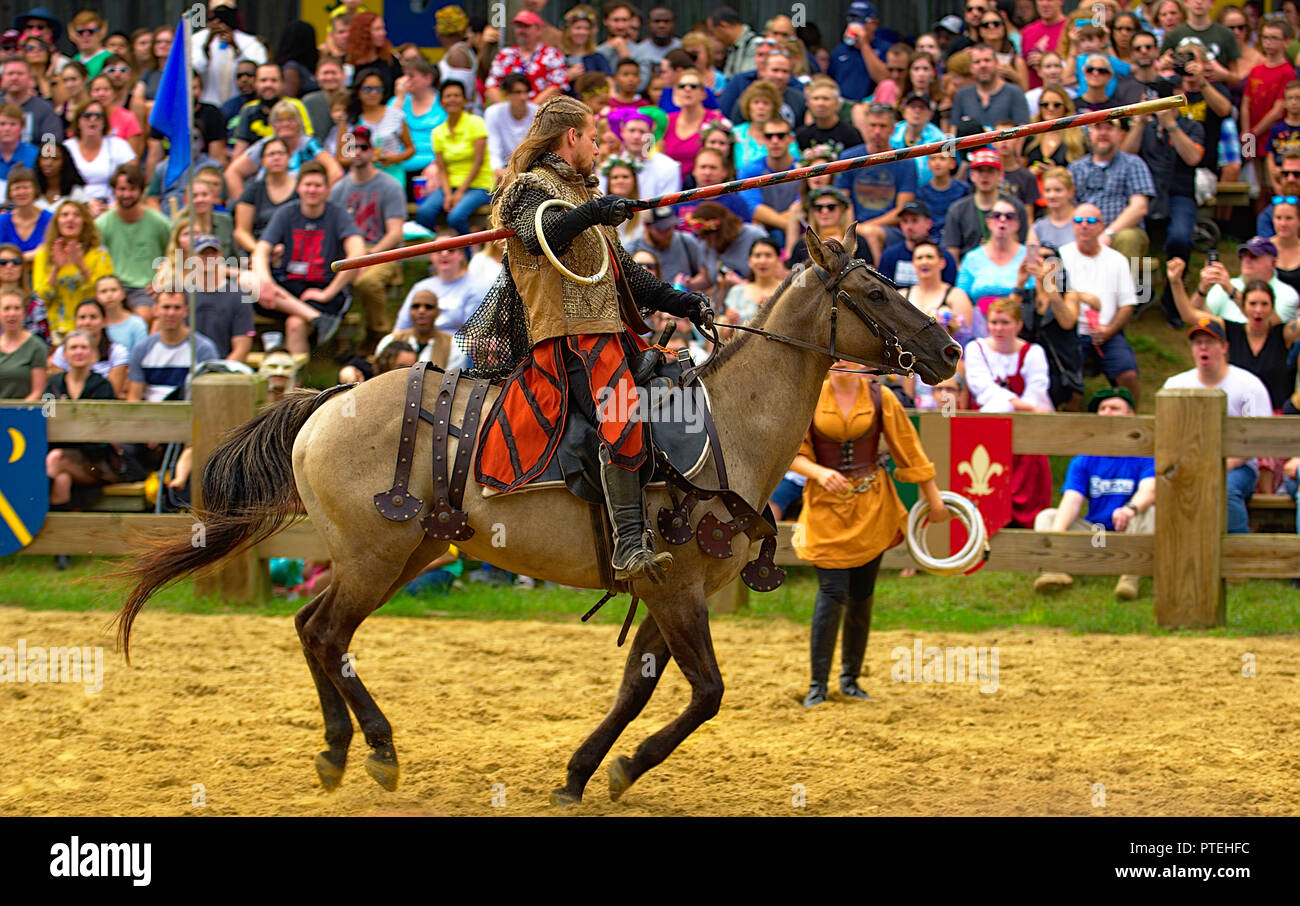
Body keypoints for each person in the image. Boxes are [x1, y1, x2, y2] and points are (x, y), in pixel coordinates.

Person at [467, 95, 712, 583]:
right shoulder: (525, 189)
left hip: (609, 335)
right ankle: (627, 545)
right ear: (571, 137)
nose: (599, 148)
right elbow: (541, 238)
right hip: (566, 338)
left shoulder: (579, 194)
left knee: (669, 399)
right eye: (594, 137)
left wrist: (681, 300)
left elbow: (624, 273)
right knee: (622, 420)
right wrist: (595, 212)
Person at [790, 363, 949, 707]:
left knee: (862, 593)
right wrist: (818, 472)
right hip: (826, 505)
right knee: (832, 591)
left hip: (873, 503)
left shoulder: (882, 397)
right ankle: (818, 685)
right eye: (834, 358)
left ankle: (850, 680)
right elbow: (792, 451)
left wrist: (934, 500)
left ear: (861, 362)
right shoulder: (810, 395)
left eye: (847, 359)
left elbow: (909, 448)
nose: (839, 364)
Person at [1032, 386, 1154, 599]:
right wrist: (1056, 538)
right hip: (1097, 535)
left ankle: (1130, 577)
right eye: (1102, 408)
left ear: (1130, 415)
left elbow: (1150, 490)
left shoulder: (1144, 454)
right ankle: (1053, 569)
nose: (1107, 412)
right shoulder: (1084, 458)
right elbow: (1072, 500)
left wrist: (1129, 509)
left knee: (1149, 511)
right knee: (1047, 517)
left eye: (1115, 408)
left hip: (1130, 532)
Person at [1162, 317, 1273, 534]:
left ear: (1224, 347)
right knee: (1166, 484)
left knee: (1225, 487)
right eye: (1198, 342)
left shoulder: (1249, 385)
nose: (1203, 348)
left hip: (1238, 466)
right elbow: (1166, 434)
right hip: (1187, 462)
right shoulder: (1175, 385)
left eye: (1210, 342)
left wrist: (1221, 463)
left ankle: (1240, 552)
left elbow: (1258, 438)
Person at [252, 162, 366, 356]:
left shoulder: (338, 214)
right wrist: (266, 281)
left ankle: (295, 385)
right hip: (290, 286)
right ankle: (317, 319)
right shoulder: (286, 213)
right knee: (249, 281)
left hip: (325, 288)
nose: (312, 190)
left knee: (295, 324)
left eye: (318, 185)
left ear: (327, 189)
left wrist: (327, 294)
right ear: (298, 188)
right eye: (307, 185)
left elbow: (357, 253)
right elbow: (261, 250)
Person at [964, 297, 1054, 526]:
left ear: (1018, 325)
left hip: (1024, 426)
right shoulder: (977, 349)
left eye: (1005, 322)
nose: (998, 328)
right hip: (987, 426)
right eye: (994, 322)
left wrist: (1024, 408)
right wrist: (1021, 405)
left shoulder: (1033, 352)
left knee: (1032, 465)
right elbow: (983, 389)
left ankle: (1028, 522)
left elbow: (1036, 390)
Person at [1168, 257, 1300, 413]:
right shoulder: (1229, 329)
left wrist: (1229, 287)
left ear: (1272, 307)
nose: (1258, 310)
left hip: (1277, 415)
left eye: (1264, 304)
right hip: (1236, 414)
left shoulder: (1284, 334)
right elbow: (1189, 315)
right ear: (1243, 307)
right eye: (1252, 304)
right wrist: (1175, 282)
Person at [1060, 203, 1143, 407]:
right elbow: (1048, 296)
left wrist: (1109, 330)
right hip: (1071, 332)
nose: (1084, 226)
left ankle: (1133, 421)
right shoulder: (1060, 256)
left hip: (1108, 332)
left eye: (1091, 221)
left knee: (1129, 376)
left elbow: (1127, 305)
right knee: (1071, 389)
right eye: (1079, 221)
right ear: (1072, 226)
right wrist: (1080, 296)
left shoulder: (1117, 260)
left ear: (1102, 226)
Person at [330, 126, 406, 349]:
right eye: (351, 147)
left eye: (363, 147)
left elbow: (395, 233)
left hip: (383, 253)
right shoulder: (339, 189)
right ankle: (338, 339)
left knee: (367, 282)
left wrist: (367, 257)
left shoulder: (390, 186)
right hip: (348, 254)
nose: (357, 152)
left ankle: (378, 334)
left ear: (373, 151)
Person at [43, 328, 118, 506]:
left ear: (93, 353)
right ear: (65, 354)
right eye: (73, 347)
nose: (78, 352)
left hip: (95, 462)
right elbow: (45, 418)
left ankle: (29, 504)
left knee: (55, 459)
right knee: (62, 480)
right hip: (58, 454)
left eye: (84, 347)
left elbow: (104, 434)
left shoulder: (103, 386)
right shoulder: (53, 384)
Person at [1066, 116, 1155, 262]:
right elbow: (1068, 205)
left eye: (1109, 128)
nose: (1103, 133)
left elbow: (1139, 207)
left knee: (1129, 238)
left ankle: (1126, 285)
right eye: (1098, 128)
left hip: (1121, 232)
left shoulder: (1133, 164)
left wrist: (1108, 233)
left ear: (1120, 134)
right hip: (1083, 228)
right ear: (1090, 134)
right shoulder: (1076, 168)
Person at [836, 103, 916, 261]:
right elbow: (843, 202)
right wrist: (852, 228)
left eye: (883, 126)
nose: (877, 131)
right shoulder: (849, 157)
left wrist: (864, 228)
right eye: (872, 125)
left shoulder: (905, 162)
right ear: (865, 126)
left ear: (892, 129)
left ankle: (875, 283)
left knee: (870, 234)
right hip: (852, 225)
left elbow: (901, 210)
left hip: (890, 229)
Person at [94, 163, 170, 318]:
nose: (126, 194)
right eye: (122, 189)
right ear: (114, 191)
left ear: (141, 192)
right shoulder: (102, 224)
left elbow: (173, 254)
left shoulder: (159, 223)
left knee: (143, 316)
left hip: (144, 288)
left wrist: (163, 278)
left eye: (132, 189)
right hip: (112, 287)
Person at [32, 199, 112, 342]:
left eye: (76, 215)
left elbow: (104, 296)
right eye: (65, 215)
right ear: (57, 222)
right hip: (53, 331)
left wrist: (81, 266)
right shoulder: (44, 255)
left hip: (89, 329)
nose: (70, 219)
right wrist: (56, 269)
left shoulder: (99, 255)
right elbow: (41, 298)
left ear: (84, 222)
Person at [415, 81, 489, 235]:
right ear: (441, 102)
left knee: (456, 217)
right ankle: (443, 246)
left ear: (464, 100)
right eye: (448, 96)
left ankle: (468, 255)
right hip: (450, 185)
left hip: (478, 185)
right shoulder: (438, 132)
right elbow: (441, 168)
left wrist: (460, 193)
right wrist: (448, 195)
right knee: (424, 213)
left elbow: (478, 161)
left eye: (456, 95)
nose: (452, 99)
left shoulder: (476, 123)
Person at [125, 292, 219, 403]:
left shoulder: (203, 348)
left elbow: (211, 396)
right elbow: (134, 397)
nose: (171, 313)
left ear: (186, 311)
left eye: (177, 308)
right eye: (166, 307)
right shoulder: (142, 348)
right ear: (155, 310)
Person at [395, 227, 490, 334]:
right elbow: (400, 329)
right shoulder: (421, 287)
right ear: (431, 256)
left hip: (458, 347)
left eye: (451, 250)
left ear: (461, 254)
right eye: (438, 250)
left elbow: (474, 335)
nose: (444, 254)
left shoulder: (478, 287)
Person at [1199, 236, 1300, 324]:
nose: (1247, 260)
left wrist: (1231, 290)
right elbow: (1199, 319)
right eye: (1244, 255)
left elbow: (1272, 325)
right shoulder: (1222, 287)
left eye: (1254, 256)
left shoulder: (1287, 294)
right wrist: (1202, 289)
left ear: (1273, 263)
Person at [44, 297, 129, 396]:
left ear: (104, 321)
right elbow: (57, 388)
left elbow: (112, 393)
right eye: (82, 317)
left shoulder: (117, 351)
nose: (87, 322)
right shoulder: (61, 351)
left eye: (93, 317)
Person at [957, 199, 1029, 315]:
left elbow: (1035, 293)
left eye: (1009, 216)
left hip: (1021, 322)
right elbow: (960, 295)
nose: (1002, 219)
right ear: (988, 222)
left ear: (1017, 225)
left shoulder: (1027, 256)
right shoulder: (972, 258)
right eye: (996, 215)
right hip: (978, 324)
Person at [902, 240, 980, 346]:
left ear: (942, 263)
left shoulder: (956, 296)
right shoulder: (902, 295)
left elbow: (965, 336)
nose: (924, 262)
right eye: (919, 258)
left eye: (929, 257)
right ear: (913, 264)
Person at [484, 9, 567, 106]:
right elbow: (491, 85)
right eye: (518, 26)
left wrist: (529, 112)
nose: (521, 30)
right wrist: (508, 111)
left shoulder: (552, 55)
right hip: (508, 113)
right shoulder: (505, 54)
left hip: (542, 113)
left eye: (526, 26)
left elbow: (556, 87)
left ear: (539, 30)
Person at [192, 4, 267, 108]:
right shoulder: (197, 40)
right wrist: (207, 46)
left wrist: (235, 46)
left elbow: (258, 67)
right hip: (207, 102)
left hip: (239, 103)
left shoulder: (249, 42)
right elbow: (194, 69)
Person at [347, 68, 413, 189]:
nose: (373, 93)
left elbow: (410, 149)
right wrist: (364, 158)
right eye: (368, 89)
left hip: (392, 173)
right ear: (358, 91)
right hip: (362, 175)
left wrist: (395, 158)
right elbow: (344, 157)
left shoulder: (395, 115)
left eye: (378, 89)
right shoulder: (352, 119)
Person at [63, 99, 136, 206]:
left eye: (98, 116)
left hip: (113, 204)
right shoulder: (67, 147)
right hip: (76, 204)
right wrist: (86, 202)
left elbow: (133, 178)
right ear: (78, 121)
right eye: (87, 116)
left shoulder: (119, 145)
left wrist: (116, 204)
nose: (93, 119)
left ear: (104, 122)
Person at [232, 136, 298, 256]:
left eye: (281, 153)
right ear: (262, 161)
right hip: (258, 251)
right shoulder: (252, 190)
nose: (276, 158)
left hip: (295, 252)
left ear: (289, 158)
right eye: (271, 154)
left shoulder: (301, 189)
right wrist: (260, 252)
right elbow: (241, 231)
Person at [627, 207, 712, 292]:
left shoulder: (686, 241)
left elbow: (707, 278)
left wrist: (689, 283)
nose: (669, 232)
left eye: (671, 226)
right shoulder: (631, 250)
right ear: (646, 226)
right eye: (662, 229)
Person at [877, 200, 958, 287]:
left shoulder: (944, 256)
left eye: (915, 221)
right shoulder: (889, 256)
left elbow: (949, 290)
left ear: (928, 223)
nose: (909, 227)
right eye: (905, 221)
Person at [663, 68, 725, 180]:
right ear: (676, 92)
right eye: (682, 86)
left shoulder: (717, 122)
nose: (687, 89)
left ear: (703, 93)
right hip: (669, 187)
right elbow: (648, 152)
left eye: (693, 86)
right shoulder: (666, 121)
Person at [375, 289, 461, 370]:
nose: (421, 311)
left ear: (438, 312)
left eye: (428, 307)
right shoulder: (389, 341)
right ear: (410, 311)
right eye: (416, 306)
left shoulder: (453, 346)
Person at [952, 43, 1030, 129]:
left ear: (997, 63)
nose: (982, 65)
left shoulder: (1015, 93)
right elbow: (954, 130)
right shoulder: (962, 95)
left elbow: (1023, 130)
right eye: (977, 62)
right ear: (971, 68)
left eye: (987, 60)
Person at [826, 1, 892, 101]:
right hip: (843, 105)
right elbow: (830, 81)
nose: (854, 24)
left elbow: (884, 79)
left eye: (859, 20)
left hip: (871, 106)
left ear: (874, 23)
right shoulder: (839, 51)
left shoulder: (885, 48)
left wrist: (864, 44)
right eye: (851, 19)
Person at [719, 237, 784, 325]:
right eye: (757, 256)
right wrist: (731, 324)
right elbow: (727, 334)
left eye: (768, 255)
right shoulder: (737, 291)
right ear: (750, 261)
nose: (762, 261)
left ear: (778, 260)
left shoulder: (787, 290)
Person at [486, 73, 537, 185]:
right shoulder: (493, 112)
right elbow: (494, 146)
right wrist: (497, 169)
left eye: (526, 92)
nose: (523, 97)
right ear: (507, 94)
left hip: (530, 167)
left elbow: (536, 146)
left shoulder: (537, 112)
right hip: (503, 167)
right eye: (518, 92)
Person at [0, 288, 45, 400]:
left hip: (24, 412)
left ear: (24, 313)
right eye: (6, 309)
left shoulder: (36, 346)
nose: (12, 313)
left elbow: (37, 391)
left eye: (17, 308)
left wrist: (18, 411)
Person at [0, 166, 51, 258]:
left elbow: (50, 250)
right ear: (10, 193)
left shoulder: (50, 219)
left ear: (35, 189)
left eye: (25, 187)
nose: (21, 192)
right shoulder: (2, 221)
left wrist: (18, 259)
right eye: (16, 188)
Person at [92, 274, 148, 354]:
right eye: (103, 291)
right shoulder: (93, 323)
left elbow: (140, 355)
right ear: (96, 296)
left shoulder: (137, 323)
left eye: (114, 290)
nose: (109, 295)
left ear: (123, 294)